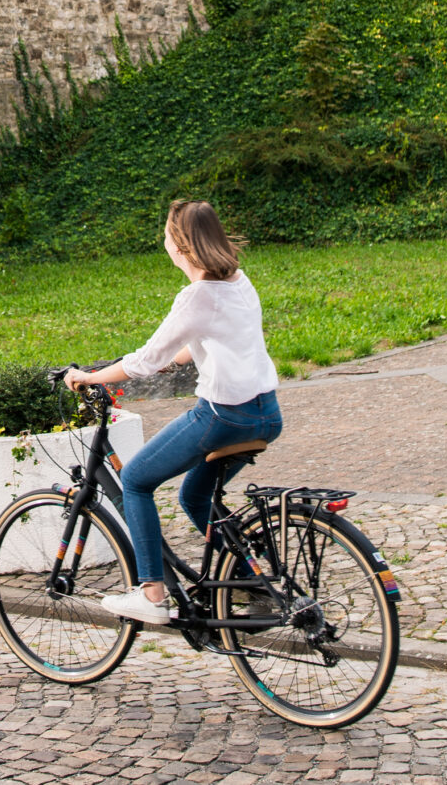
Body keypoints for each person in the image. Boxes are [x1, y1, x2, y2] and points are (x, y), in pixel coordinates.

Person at [64, 200, 280, 623]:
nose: (163, 242)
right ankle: (250, 583)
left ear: (179, 245)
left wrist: (90, 378)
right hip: (265, 413)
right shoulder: (237, 280)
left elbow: (142, 361)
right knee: (194, 495)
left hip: (223, 416)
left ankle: (151, 593)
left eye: (166, 235)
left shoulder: (196, 295)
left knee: (136, 479)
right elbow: (218, 337)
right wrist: (180, 357)